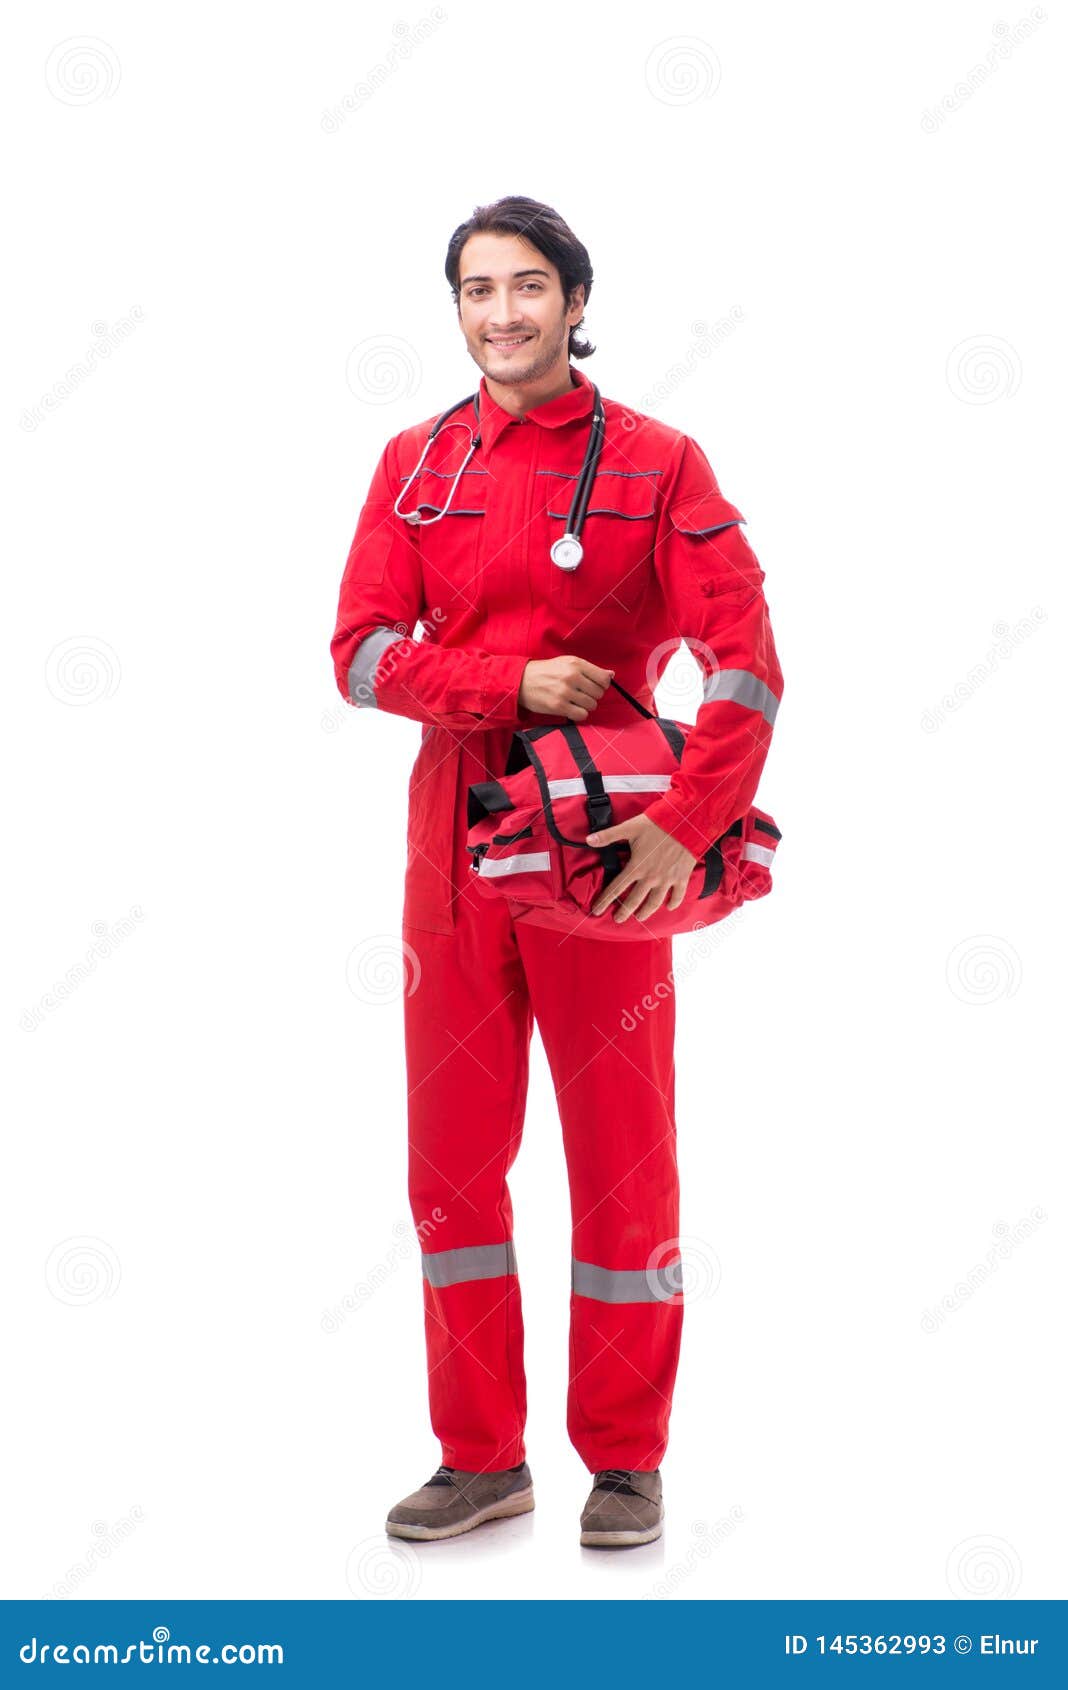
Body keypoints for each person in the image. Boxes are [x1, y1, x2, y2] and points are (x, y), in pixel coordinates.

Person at [329, 196, 784, 1549]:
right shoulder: (413, 464)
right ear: (457, 307)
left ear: (577, 302)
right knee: (453, 1172)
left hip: (604, 860)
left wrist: (688, 824)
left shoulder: (658, 462)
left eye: (531, 287)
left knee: (623, 1164)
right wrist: (500, 678)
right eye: (479, 289)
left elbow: (748, 657)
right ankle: (481, 1456)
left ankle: (627, 1459)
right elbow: (356, 652)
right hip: (452, 851)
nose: (504, 312)